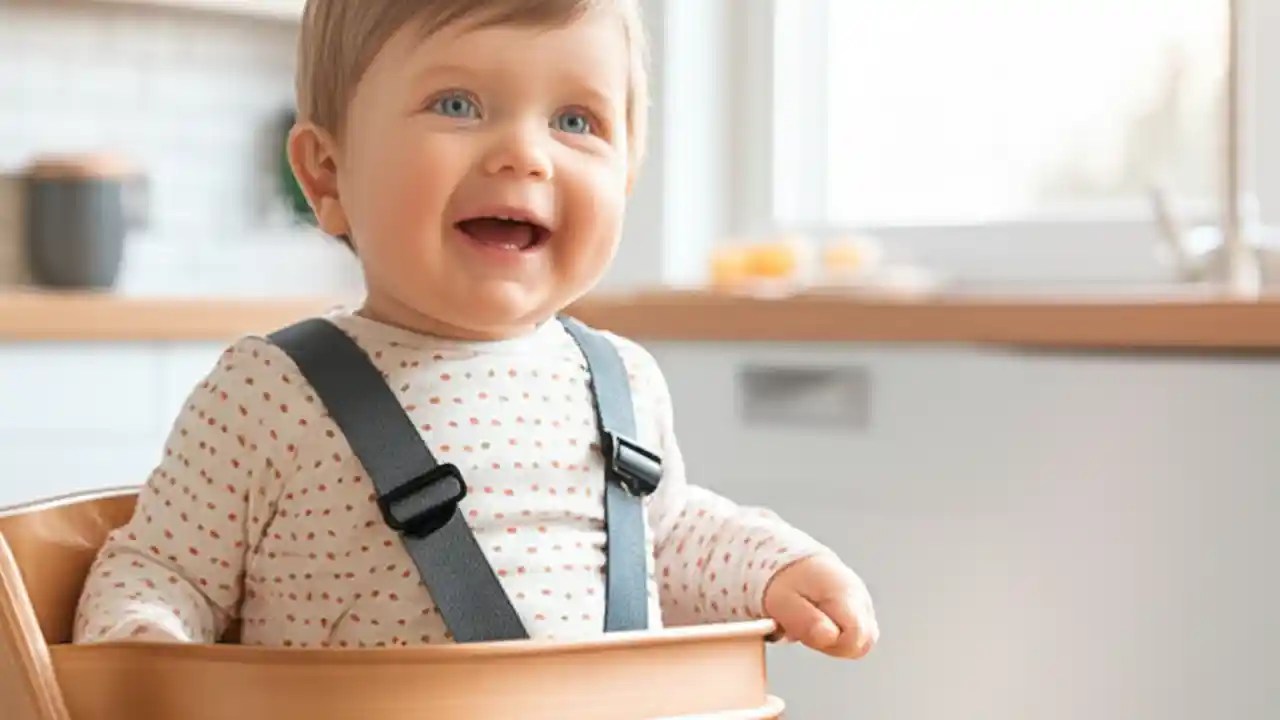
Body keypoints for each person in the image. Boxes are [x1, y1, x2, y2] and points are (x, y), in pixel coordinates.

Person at [73, 0, 878, 660]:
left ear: (627, 175)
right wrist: (145, 653)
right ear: (326, 172)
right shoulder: (267, 394)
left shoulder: (621, 381)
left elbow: (664, 541)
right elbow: (161, 571)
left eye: (576, 119)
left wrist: (777, 568)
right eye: (457, 105)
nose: (524, 154)